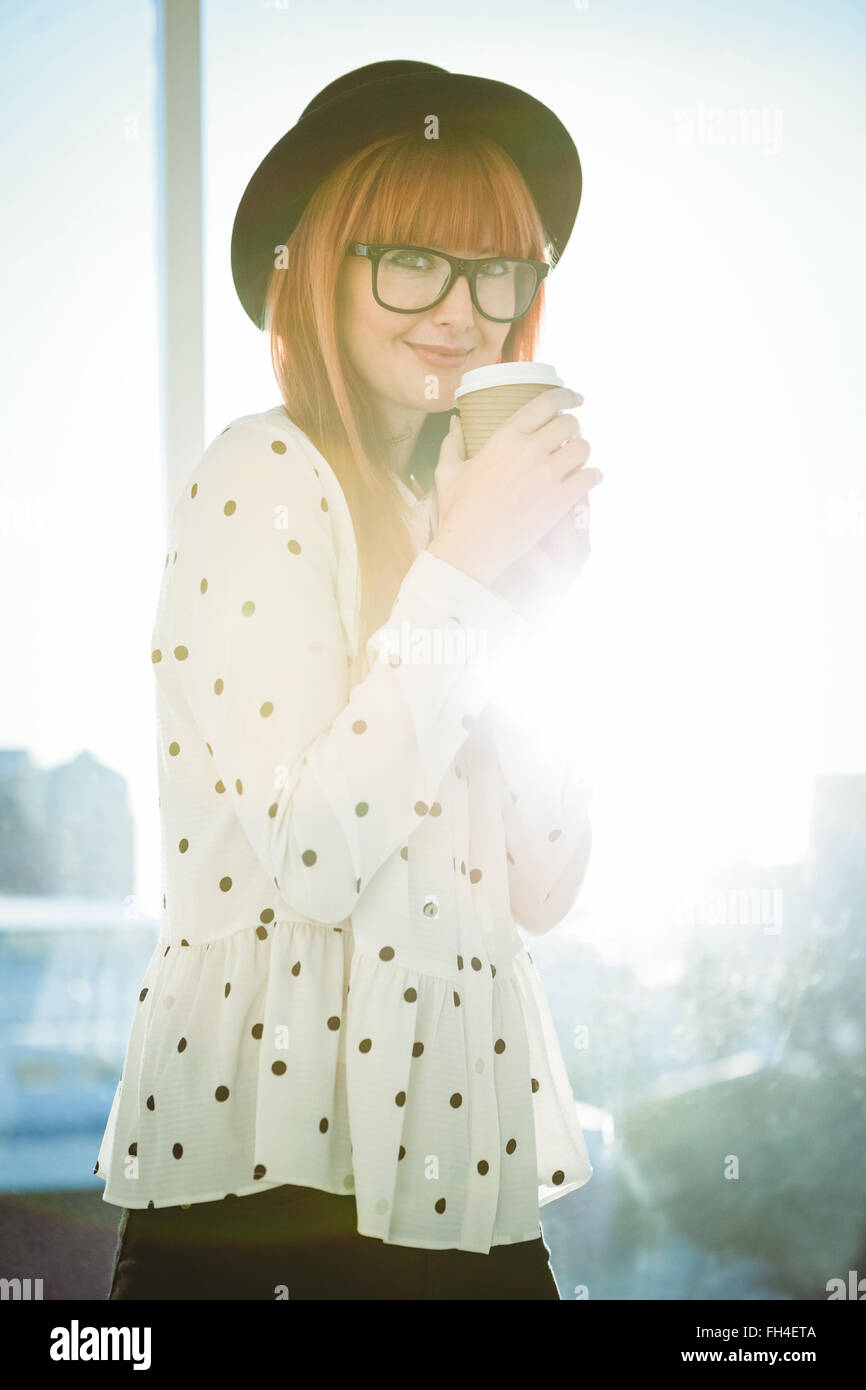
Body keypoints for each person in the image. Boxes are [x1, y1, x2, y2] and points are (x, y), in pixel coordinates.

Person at [99, 59, 603, 1301]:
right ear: (321, 265)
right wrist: (468, 567)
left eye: (497, 268)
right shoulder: (261, 472)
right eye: (410, 258)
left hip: (461, 1171)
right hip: (270, 1192)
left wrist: (528, 601)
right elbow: (314, 854)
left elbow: (545, 882)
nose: (461, 309)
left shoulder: (450, 524)